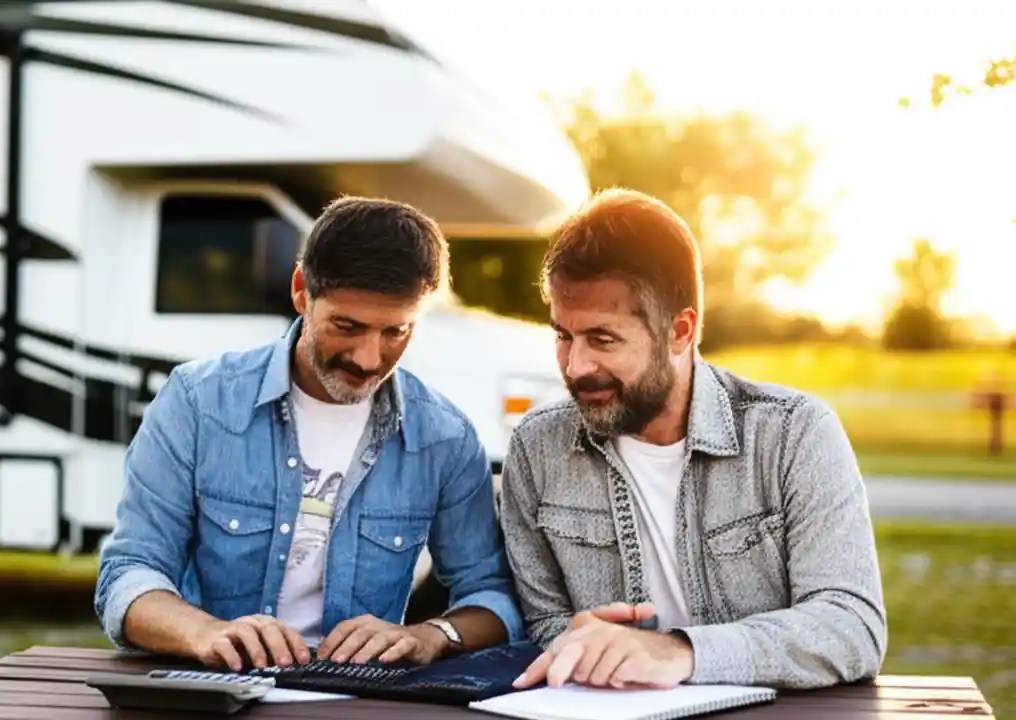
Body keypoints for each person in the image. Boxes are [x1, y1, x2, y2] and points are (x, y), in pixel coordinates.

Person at [94, 196, 522, 672]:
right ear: (301, 291)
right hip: (209, 689)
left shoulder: (445, 437)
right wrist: (206, 633)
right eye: (346, 326)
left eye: (395, 332)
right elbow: (127, 574)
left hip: (357, 698)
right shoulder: (197, 402)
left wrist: (431, 634)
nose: (368, 358)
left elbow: (493, 594)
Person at [500, 188, 887, 691]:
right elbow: (545, 626)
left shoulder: (793, 434)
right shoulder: (537, 447)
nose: (576, 368)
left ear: (680, 331)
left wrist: (679, 651)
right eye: (563, 336)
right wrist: (581, 645)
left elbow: (851, 627)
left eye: (602, 339)